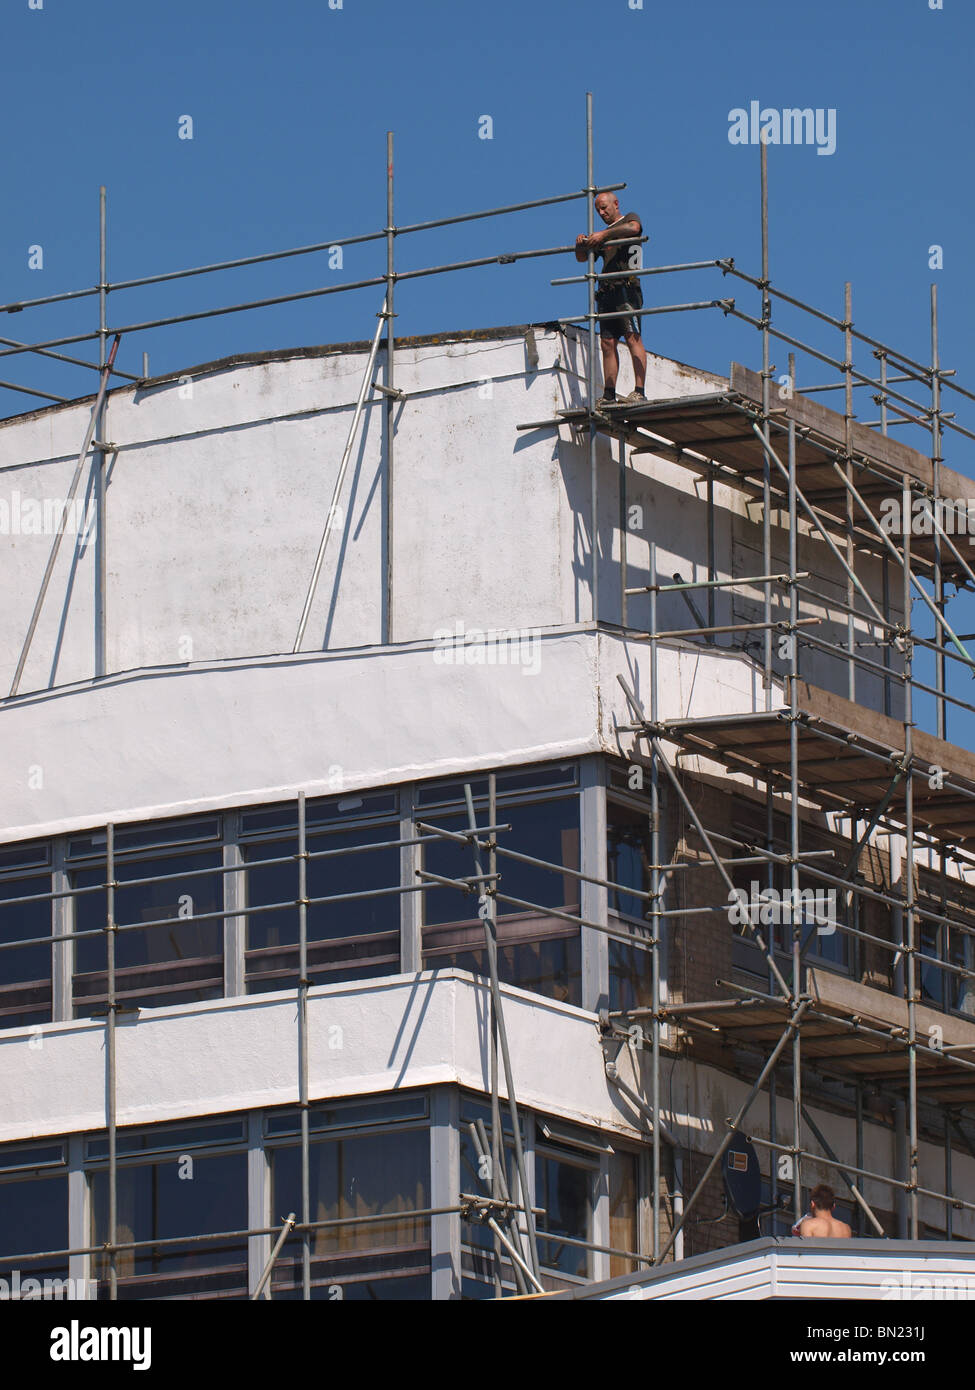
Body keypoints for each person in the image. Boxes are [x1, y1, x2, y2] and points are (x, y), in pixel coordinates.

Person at [575, 192, 648, 409]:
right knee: (607, 342)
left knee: (632, 336)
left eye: (604, 207)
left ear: (616, 204)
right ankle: (608, 394)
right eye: (598, 209)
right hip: (607, 291)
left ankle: (640, 391)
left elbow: (634, 228)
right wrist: (581, 243)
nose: (601, 212)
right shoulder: (602, 235)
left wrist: (603, 236)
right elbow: (581, 258)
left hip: (627, 289)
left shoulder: (628, 220)